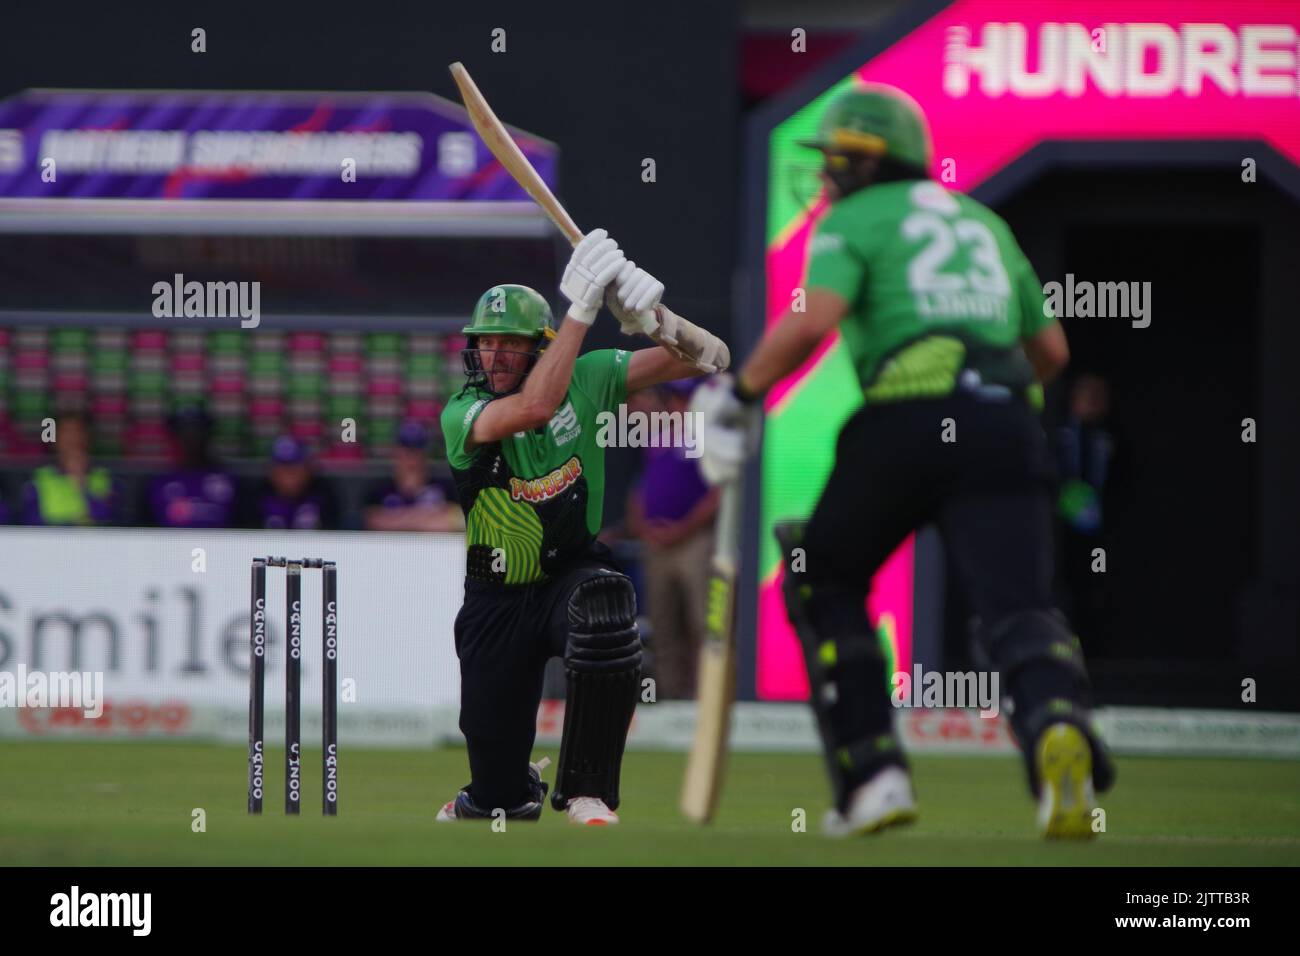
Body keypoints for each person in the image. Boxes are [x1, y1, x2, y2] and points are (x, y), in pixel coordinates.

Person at [692, 83, 1115, 839]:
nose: (829, 176)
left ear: (873, 164)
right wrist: (992, 404)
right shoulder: (984, 223)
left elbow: (813, 321)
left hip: (904, 423)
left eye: (843, 160)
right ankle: (1059, 733)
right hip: (1007, 429)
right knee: (1019, 608)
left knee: (818, 574)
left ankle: (874, 777)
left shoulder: (853, 219)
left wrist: (742, 392)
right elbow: (1052, 352)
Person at [435, 229, 725, 825]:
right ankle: (503, 789)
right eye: (486, 343)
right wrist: (583, 308)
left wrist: (652, 317)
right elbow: (535, 408)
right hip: (495, 595)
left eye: (510, 345)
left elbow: (711, 357)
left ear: (542, 348)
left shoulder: (591, 377)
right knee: (499, 800)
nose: (494, 357)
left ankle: (589, 790)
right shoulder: (464, 412)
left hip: (570, 569)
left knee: (605, 604)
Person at [625, 379, 719, 699]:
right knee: (663, 627)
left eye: (684, 395)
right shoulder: (658, 435)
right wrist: (642, 525)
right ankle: (672, 702)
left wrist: (686, 527)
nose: (678, 401)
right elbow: (644, 487)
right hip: (657, 543)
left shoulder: (709, 436)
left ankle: (708, 700)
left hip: (695, 541)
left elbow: (719, 494)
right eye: (674, 395)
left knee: (702, 624)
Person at [146, 406, 239, 528]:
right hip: (170, 546)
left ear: (207, 435)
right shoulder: (159, 483)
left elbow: (244, 529)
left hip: (221, 545)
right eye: (184, 432)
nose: (191, 439)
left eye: (197, 432)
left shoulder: (230, 482)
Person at [22, 412, 121, 526]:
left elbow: (108, 520)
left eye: (77, 432)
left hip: (92, 542)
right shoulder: (40, 477)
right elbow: (31, 523)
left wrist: (82, 484)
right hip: (52, 541)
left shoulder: (104, 477)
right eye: (66, 433)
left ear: (87, 437)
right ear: (55, 440)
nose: (72, 439)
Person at [363, 421, 463, 532]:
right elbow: (372, 523)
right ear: (396, 454)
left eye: (417, 451)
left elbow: (456, 522)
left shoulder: (444, 489)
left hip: (432, 547)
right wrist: (427, 516)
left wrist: (396, 519)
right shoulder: (380, 490)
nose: (412, 459)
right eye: (406, 452)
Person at [247, 435, 339, 530]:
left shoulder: (322, 494)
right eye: (283, 469)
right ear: (270, 471)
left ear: (308, 469)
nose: (289, 476)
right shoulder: (258, 496)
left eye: (295, 468)